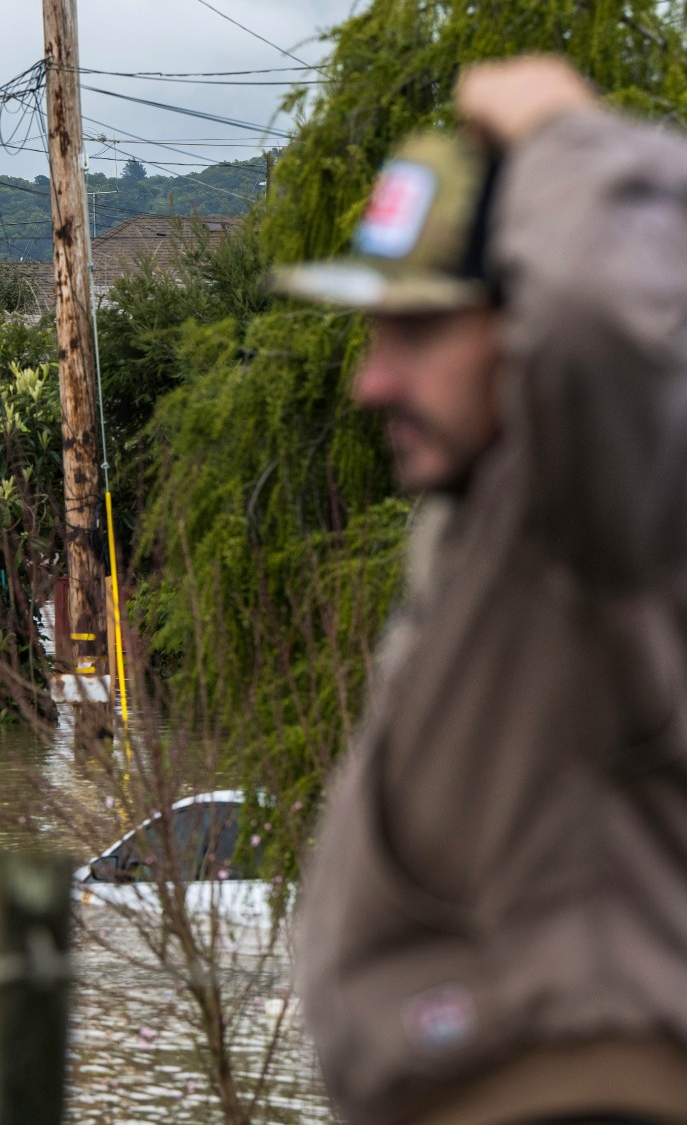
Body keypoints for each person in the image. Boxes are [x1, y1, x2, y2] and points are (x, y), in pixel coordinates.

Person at [276, 56, 687, 1123]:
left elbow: (599, 312)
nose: (371, 381)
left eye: (415, 332)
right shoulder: (492, 530)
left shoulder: (593, 502)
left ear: (521, 332)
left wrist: (561, 131)